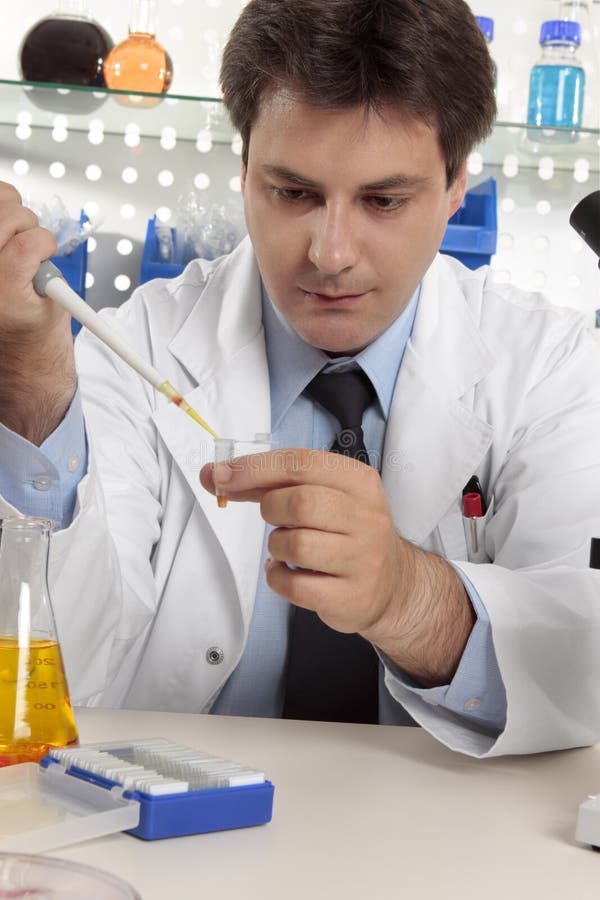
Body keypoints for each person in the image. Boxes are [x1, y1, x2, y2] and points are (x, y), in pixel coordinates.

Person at [1, 0, 599, 759]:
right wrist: (31, 382)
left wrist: (407, 598)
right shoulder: (139, 343)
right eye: (294, 192)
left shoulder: (548, 360)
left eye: (384, 200)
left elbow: (584, 667)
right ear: (245, 170)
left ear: (456, 188)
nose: (331, 252)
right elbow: (60, 663)